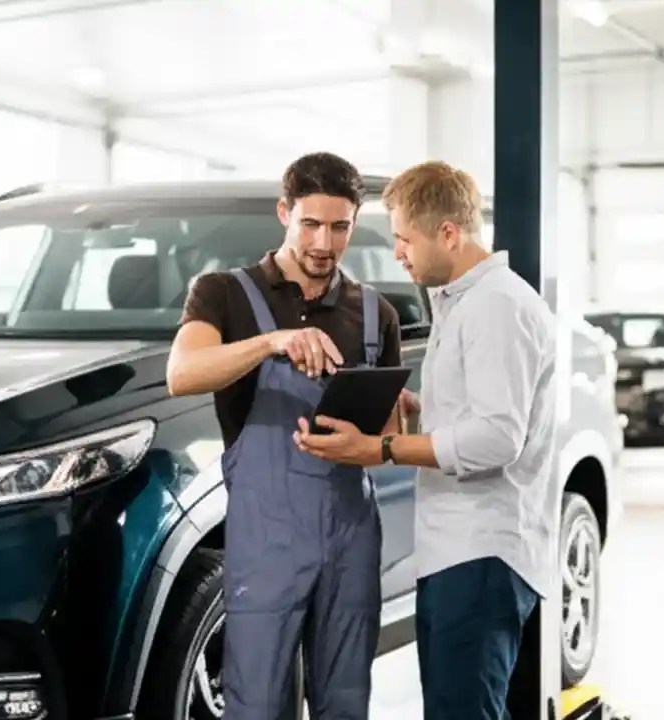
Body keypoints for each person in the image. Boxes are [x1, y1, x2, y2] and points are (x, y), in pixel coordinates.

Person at [294, 160, 558, 719]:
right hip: (459, 551)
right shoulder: (466, 303)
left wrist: (380, 450)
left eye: (403, 239)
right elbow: (481, 414)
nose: (397, 254)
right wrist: (420, 414)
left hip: (482, 552)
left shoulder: (495, 307)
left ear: (448, 233)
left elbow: (496, 438)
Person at [167, 151, 403, 719]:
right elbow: (182, 374)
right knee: (259, 703)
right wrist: (271, 344)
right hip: (269, 538)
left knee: (345, 700)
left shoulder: (376, 314)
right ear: (284, 213)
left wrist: (399, 413)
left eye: (340, 227)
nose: (324, 243)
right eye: (311, 224)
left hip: (352, 534)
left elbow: (388, 439)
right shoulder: (223, 293)